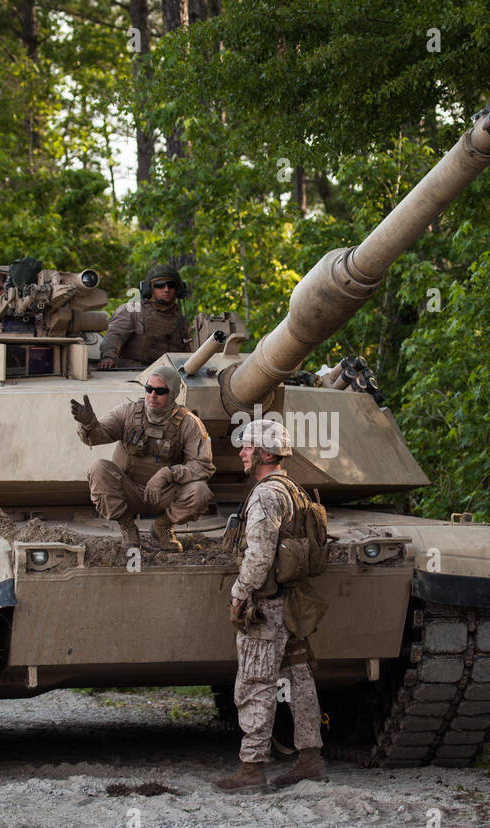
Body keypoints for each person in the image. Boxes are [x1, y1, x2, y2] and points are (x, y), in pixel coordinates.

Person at [215, 420, 327, 793]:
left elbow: (260, 556)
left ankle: (251, 768)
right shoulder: (293, 490)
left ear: (264, 453)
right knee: (298, 679)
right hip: (293, 603)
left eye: (247, 447)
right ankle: (310, 758)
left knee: (255, 682)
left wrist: (239, 593)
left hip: (267, 605)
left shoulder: (265, 496)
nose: (242, 453)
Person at [70, 365, 213, 551]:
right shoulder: (128, 412)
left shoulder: (189, 424)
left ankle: (162, 527)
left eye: (160, 391)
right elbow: (99, 436)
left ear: (173, 393)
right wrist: (89, 423)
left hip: (165, 492)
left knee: (200, 491)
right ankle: (128, 527)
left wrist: (168, 473)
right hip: (129, 489)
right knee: (98, 468)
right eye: (149, 389)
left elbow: (203, 465)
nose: (152, 395)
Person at [97, 264, 192, 369]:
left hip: (168, 374)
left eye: (171, 285)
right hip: (132, 372)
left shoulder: (181, 321)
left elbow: (188, 354)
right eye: (159, 285)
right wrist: (108, 357)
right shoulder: (133, 311)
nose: (166, 289)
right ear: (149, 288)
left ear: (178, 289)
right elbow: (114, 336)